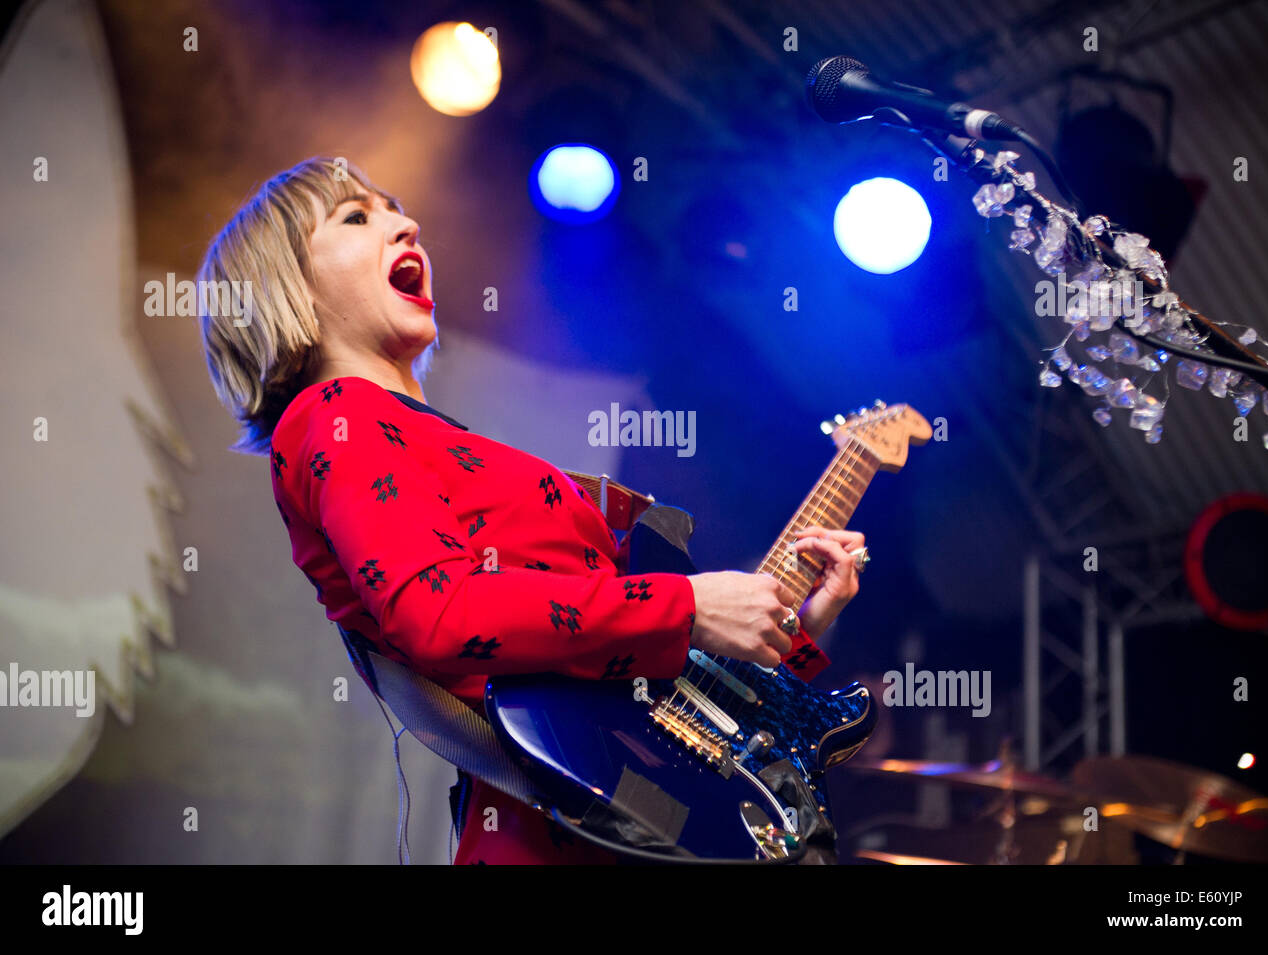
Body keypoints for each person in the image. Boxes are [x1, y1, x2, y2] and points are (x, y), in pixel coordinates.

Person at [197, 156, 867, 864]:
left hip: (614, 811)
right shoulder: (336, 413)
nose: (408, 224)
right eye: (357, 217)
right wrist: (687, 607)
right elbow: (440, 609)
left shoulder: (426, 442)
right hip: (559, 832)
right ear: (286, 287)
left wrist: (788, 624)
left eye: (397, 207)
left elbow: (626, 669)